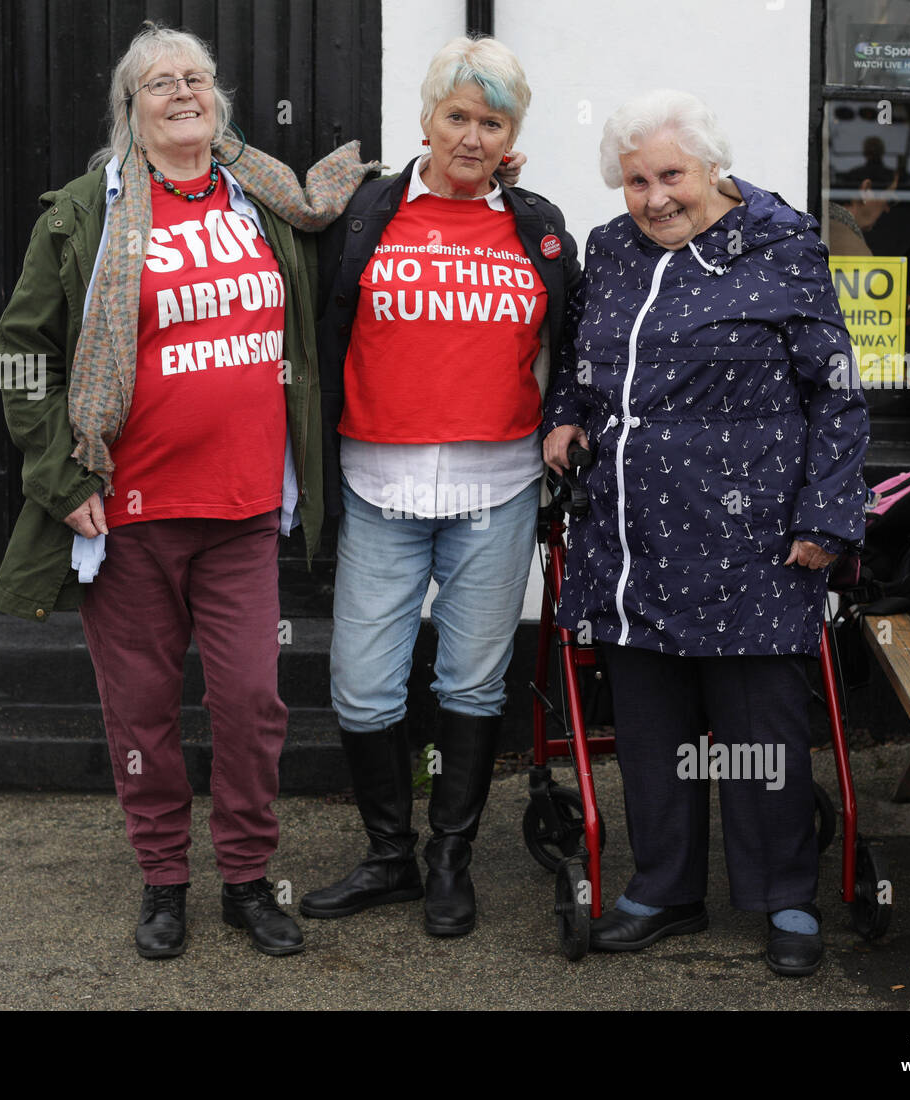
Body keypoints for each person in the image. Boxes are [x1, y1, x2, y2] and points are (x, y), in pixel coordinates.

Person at [0, 22, 375, 959]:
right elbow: (18, 355)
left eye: (197, 78)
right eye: (160, 82)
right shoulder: (87, 212)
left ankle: (247, 878)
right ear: (132, 106)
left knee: (250, 702)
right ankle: (164, 879)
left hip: (241, 510)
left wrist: (485, 177)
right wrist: (61, 473)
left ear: (219, 100)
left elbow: (370, 222)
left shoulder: (266, 201)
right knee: (142, 711)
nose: (183, 92)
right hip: (127, 517)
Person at [543, 90, 869, 975]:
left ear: (712, 170)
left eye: (671, 176)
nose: (654, 198)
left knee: (757, 724)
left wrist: (827, 516)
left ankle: (786, 899)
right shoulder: (610, 250)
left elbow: (835, 391)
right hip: (630, 533)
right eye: (636, 180)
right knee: (651, 723)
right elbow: (578, 357)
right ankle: (664, 890)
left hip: (755, 538)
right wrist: (565, 415)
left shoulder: (780, 245)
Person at [302, 35, 580, 936]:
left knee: (471, 681)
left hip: (497, 490)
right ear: (425, 120)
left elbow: (573, 351)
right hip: (378, 482)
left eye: (490, 122)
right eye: (456, 116)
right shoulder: (365, 211)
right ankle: (389, 856)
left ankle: (448, 857)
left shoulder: (538, 227)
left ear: (511, 136)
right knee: (362, 686)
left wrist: (567, 427)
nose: (470, 135)